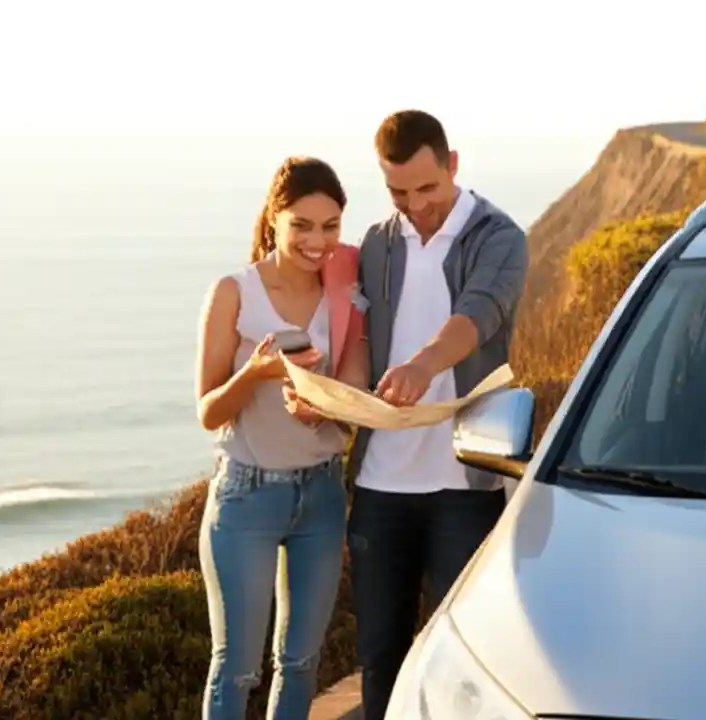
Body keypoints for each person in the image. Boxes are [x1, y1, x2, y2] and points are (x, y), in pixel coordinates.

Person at [344, 109, 529, 720]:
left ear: (452, 165)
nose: (415, 204)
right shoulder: (377, 241)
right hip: (380, 485)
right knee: (381, 657)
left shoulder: (500, 237)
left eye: (427, 188)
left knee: (464, 658)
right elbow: (358, 341)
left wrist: (423, 366)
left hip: (464, 483)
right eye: (398, 191)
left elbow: (478, 317)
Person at [194, 156, 368, 719]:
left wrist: (324, 411)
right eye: (303, 226)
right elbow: (208, 410)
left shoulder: (346, 289)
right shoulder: (234, 293)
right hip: (247, 497)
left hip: (321, 496)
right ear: (274, 219)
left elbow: (352, 395)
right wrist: (257, 373)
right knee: (237, 669)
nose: (318, 241)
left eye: (331, 226)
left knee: (300, 664)